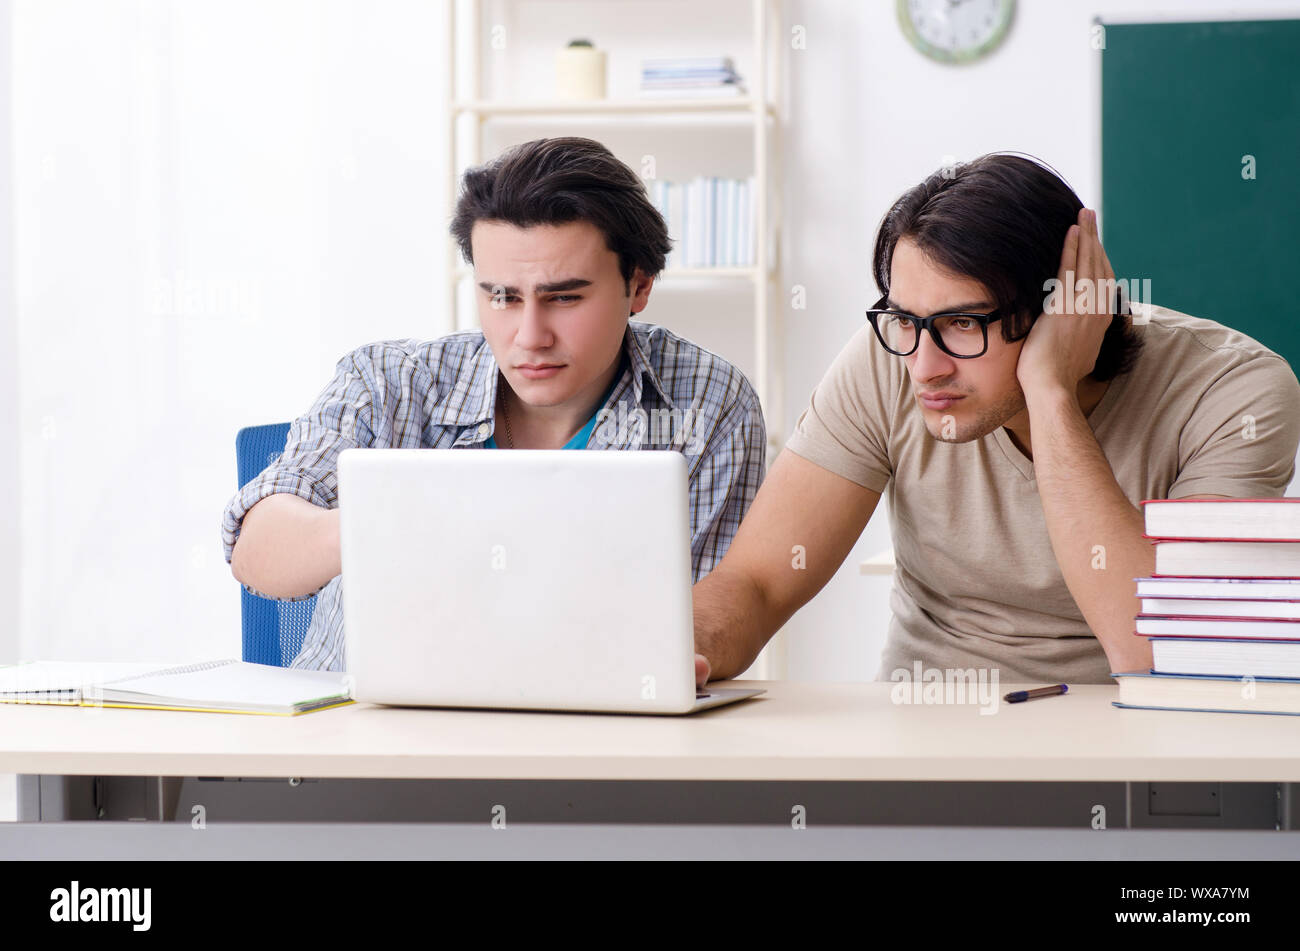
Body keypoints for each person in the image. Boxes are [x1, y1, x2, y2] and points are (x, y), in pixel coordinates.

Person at [692, 153, 1300, 685]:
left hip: (1133, 741)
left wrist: (1051, 393)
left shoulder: (1232, 391)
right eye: (904, 318)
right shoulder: (891, 357)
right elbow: (759, 582)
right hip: (927, 741)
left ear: (1061, 309)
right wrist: (679, 652)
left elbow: (1158, 649)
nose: (924, 367)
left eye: (963, 324)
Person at [223, 136, 766, 674]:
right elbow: (257, 553)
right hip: (356, 739)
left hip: (582, 736)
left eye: (565, 297)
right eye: (502, 296)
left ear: (639, 286)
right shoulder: (389, 381)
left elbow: (715, 608)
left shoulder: (705, 403)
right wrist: (403, 514)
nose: (530, 336)